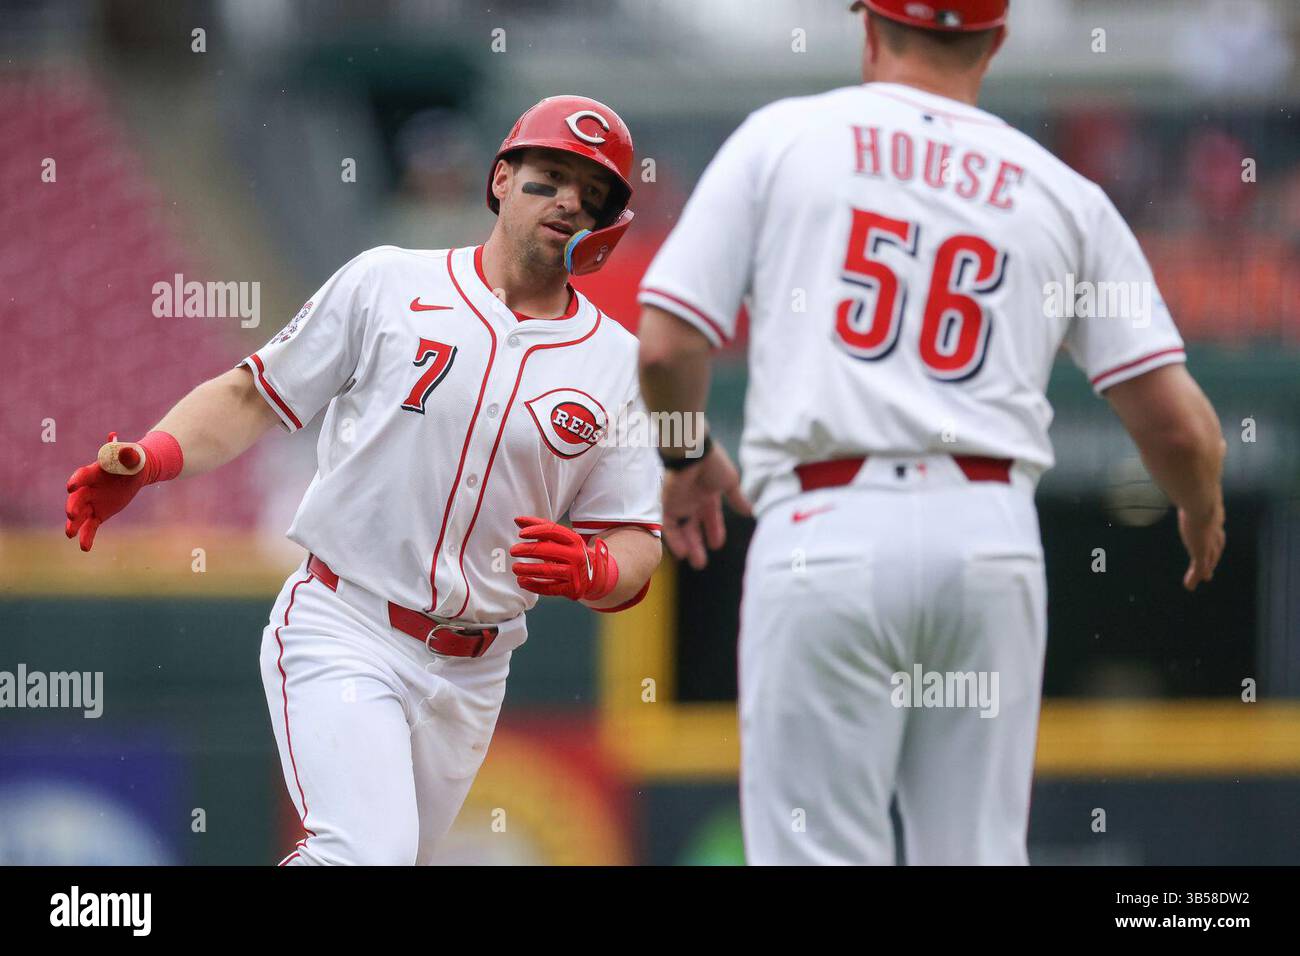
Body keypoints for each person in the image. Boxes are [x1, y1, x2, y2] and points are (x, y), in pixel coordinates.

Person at [635, 0, 1226, 864]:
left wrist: (686, 453)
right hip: (988, 535)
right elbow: (1179, 431)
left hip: (824, 526)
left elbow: (665, 345)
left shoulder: (786, 137)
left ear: (870, 30)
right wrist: (1201, 505)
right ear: (995, 42)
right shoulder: (1063, 191)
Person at [64, 95, 663, 865]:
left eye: (594, 193)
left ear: (607, 223)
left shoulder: (616, 364)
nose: (568, 201)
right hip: (348, 622)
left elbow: (637, 542)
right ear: (502, 178)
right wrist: (154, 458)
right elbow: (254, 395)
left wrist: (595, 568)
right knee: (361, 855)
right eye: (549, 177)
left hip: (475, 671)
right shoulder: (388, 282)